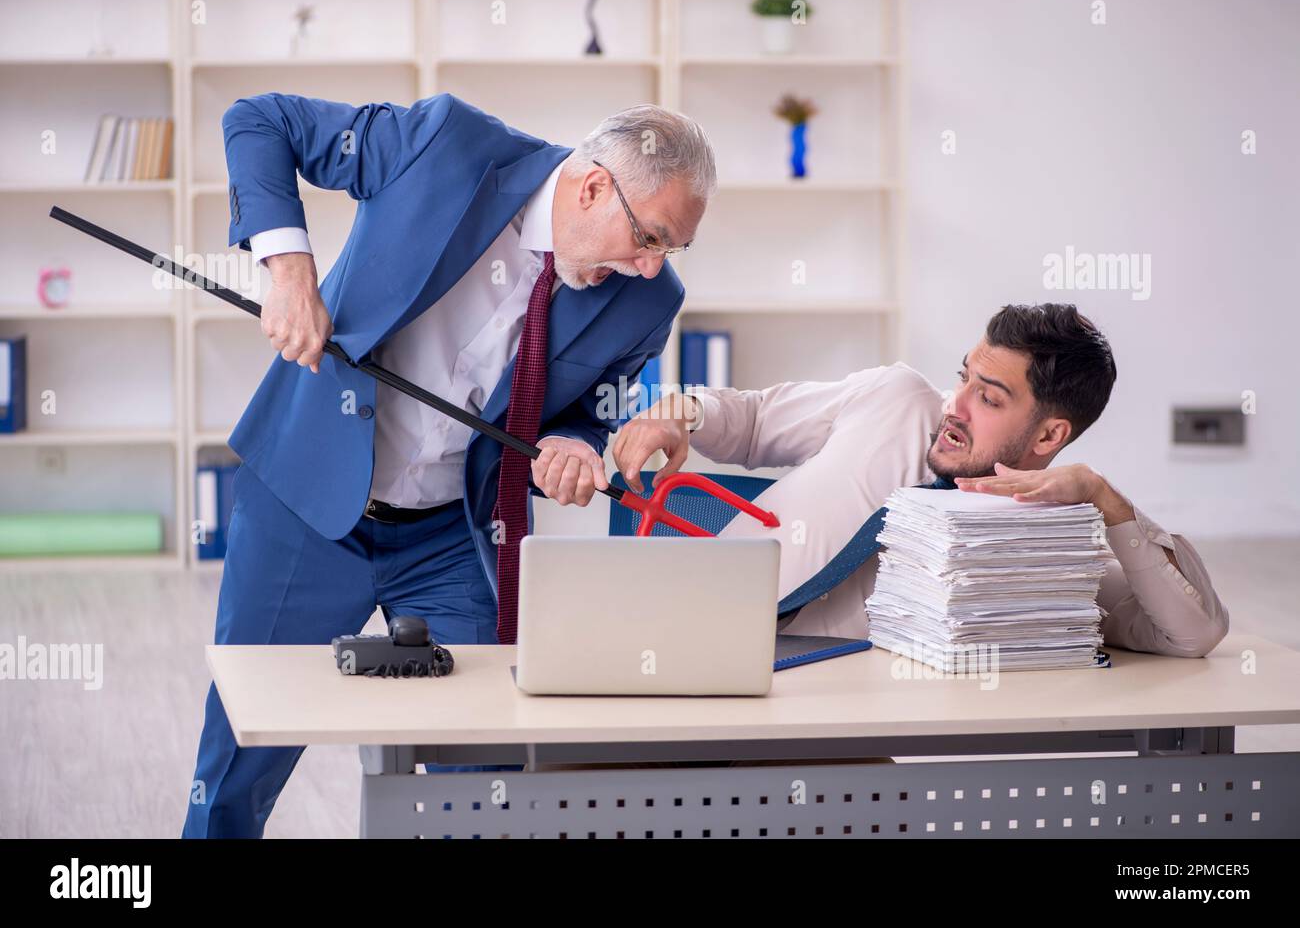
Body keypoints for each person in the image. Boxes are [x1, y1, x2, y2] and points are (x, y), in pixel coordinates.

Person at [183, 93, 716, 837]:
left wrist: (575, 445)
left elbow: (588, 411)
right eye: (649, 237)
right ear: (593, 187)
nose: (649, 265)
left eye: (669, 249)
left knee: (486, 773)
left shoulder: (648, 300)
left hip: (452, 536)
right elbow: (257, 120)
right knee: (240, 760)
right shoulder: (444, 144)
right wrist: (290, 269)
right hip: (306, 503)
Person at [605, 303, 1229, 657]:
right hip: (681, 630)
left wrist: (1104, 498)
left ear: (1048, 438)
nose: (955, 405)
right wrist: (680, 412)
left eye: (987, 397)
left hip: (823, 707)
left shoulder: (1043, 547)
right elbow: (757, 420)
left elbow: (1191, 632)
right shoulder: (898, 401)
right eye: (964, 378)